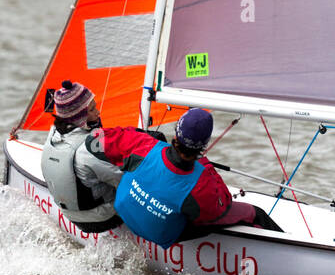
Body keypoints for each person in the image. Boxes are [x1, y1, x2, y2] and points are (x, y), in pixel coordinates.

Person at [88, 107, 281, 247]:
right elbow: (222, 207)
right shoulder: (201, 183)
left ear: (176, 133)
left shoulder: (143, 145)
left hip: (125, 213)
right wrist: (205, 165)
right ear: (203, 145)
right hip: (160, 235)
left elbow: (93, 140)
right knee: (256, 213)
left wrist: (142, 134)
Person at [40, 81, 124, 231]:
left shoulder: (53, 134)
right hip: (102, 218)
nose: (98, 112)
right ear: (79, 117)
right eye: (92, 109)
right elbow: (122, 181)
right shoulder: (88, 149)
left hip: (68, 215)